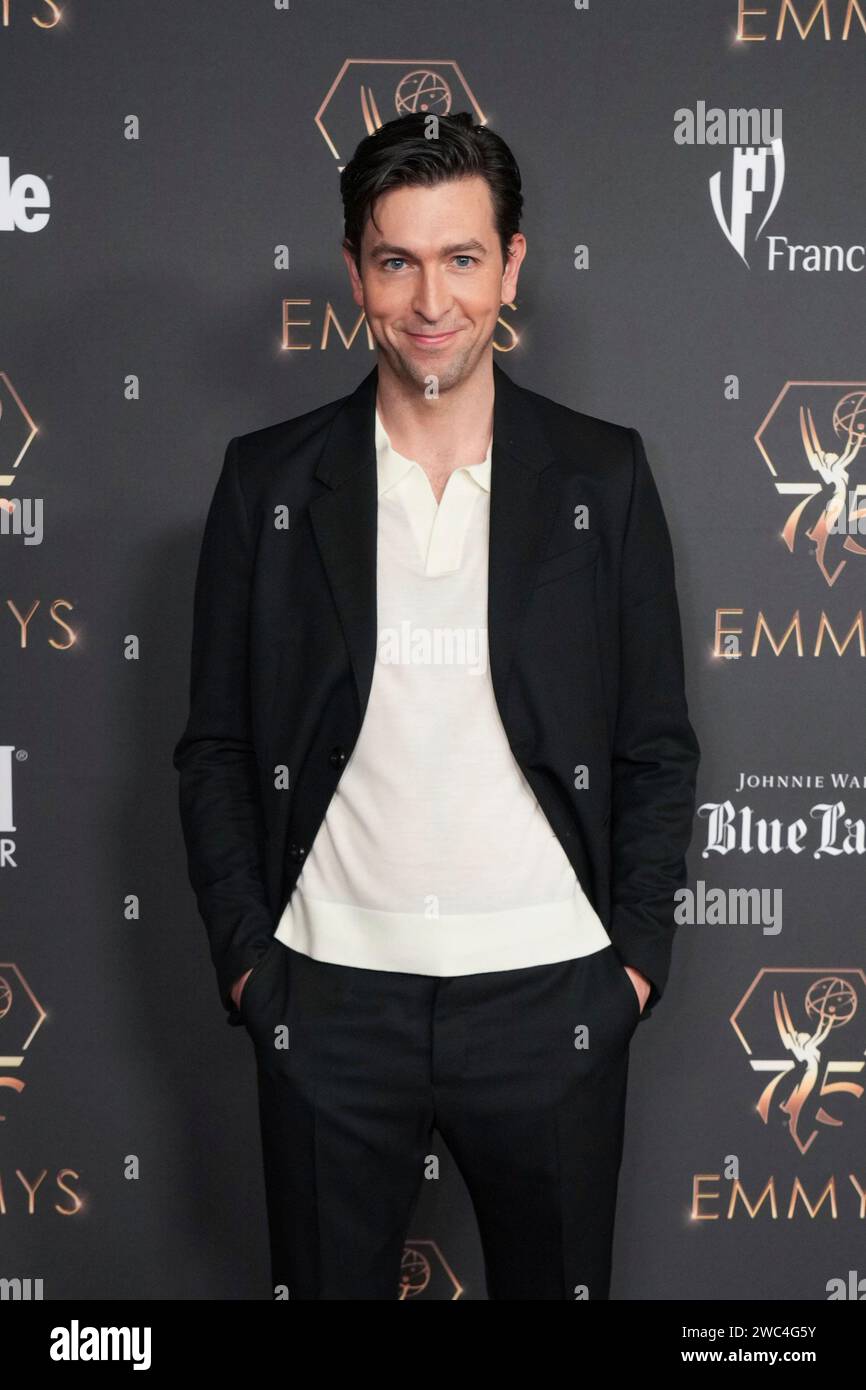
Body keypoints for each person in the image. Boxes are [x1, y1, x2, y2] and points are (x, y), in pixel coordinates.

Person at [172, 110, 701, 1300]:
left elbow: (654, 745)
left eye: (461, 258)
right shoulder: (267, 481)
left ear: (511, 265)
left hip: (555, 996)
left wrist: (630, 970)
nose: (429, 300)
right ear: (354, 268)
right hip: (324, 998)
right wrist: (253, 969)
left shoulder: (600, 475)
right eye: (396, 259)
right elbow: (214, 746)